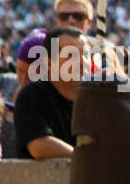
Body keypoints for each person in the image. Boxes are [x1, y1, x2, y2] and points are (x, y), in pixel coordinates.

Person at [15, 27, 82, 159]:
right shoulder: (32, 96)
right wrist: (86, 160)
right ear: (50, 64)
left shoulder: (94, 99)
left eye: (85, 55)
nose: (81, 62)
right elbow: (40, 146)